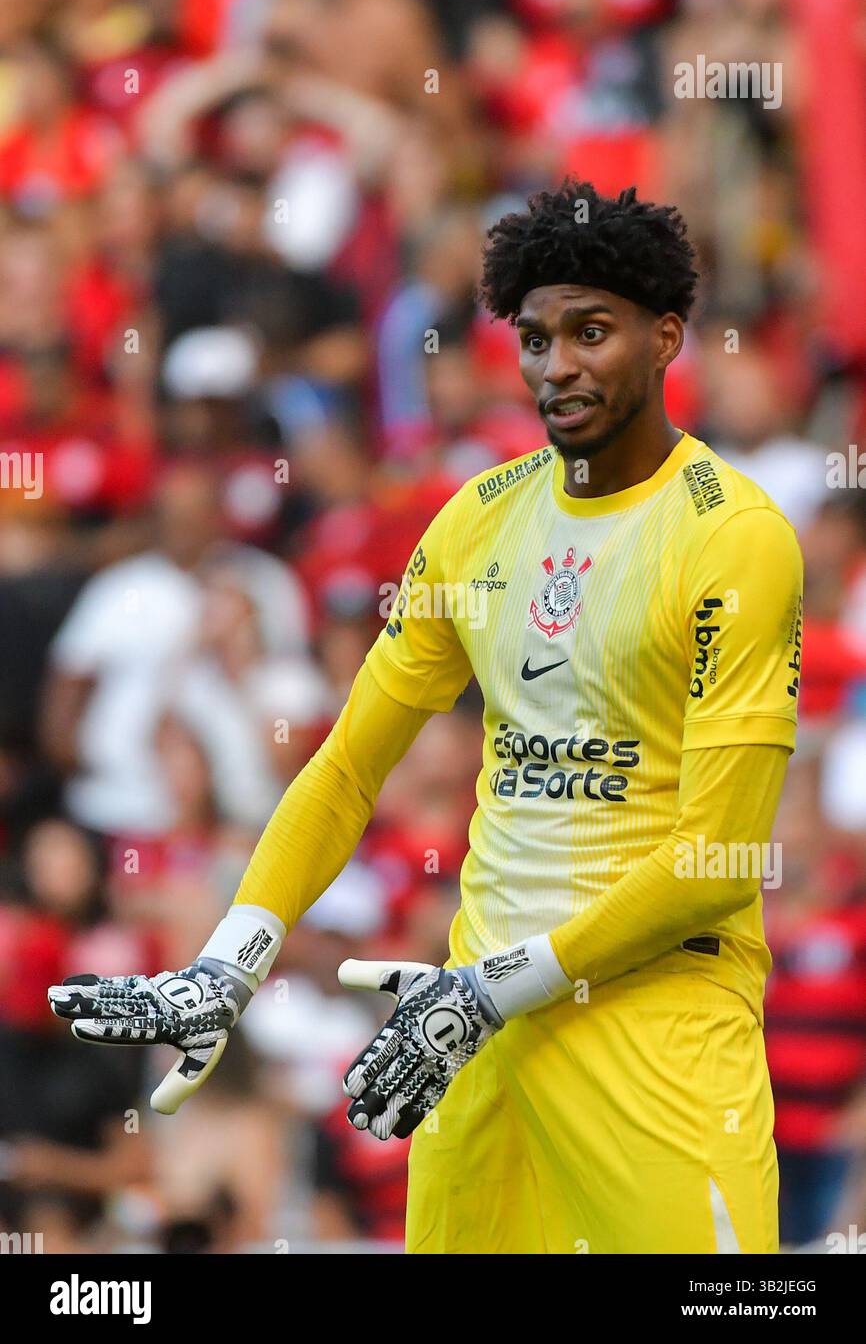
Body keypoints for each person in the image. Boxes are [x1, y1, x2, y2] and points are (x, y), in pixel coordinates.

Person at [47, 179, 803, 1255]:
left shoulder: (733, 537)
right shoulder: (476, 521)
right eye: (536, 338)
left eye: (591, 331)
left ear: (665, 334)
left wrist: (491, 989)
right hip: (470, 1033)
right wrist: (230, 961)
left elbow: (718, 856)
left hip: (653, 1022)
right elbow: (349, 765)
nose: (558, 365)